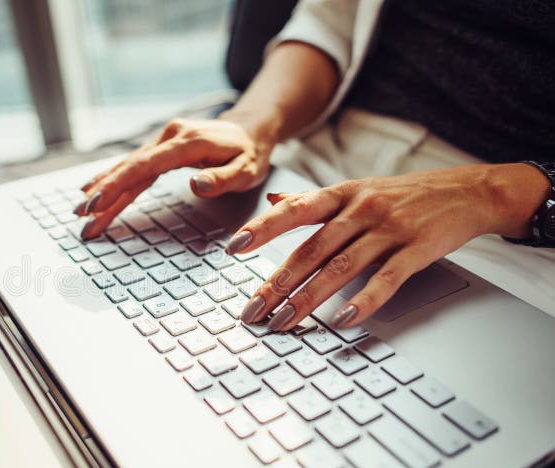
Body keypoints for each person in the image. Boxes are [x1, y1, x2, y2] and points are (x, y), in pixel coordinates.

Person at [74, 0, 555, 333]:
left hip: (509, 221)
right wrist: (253, 122)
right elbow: (330, 22)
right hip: (320, 140)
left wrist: (492, 193)